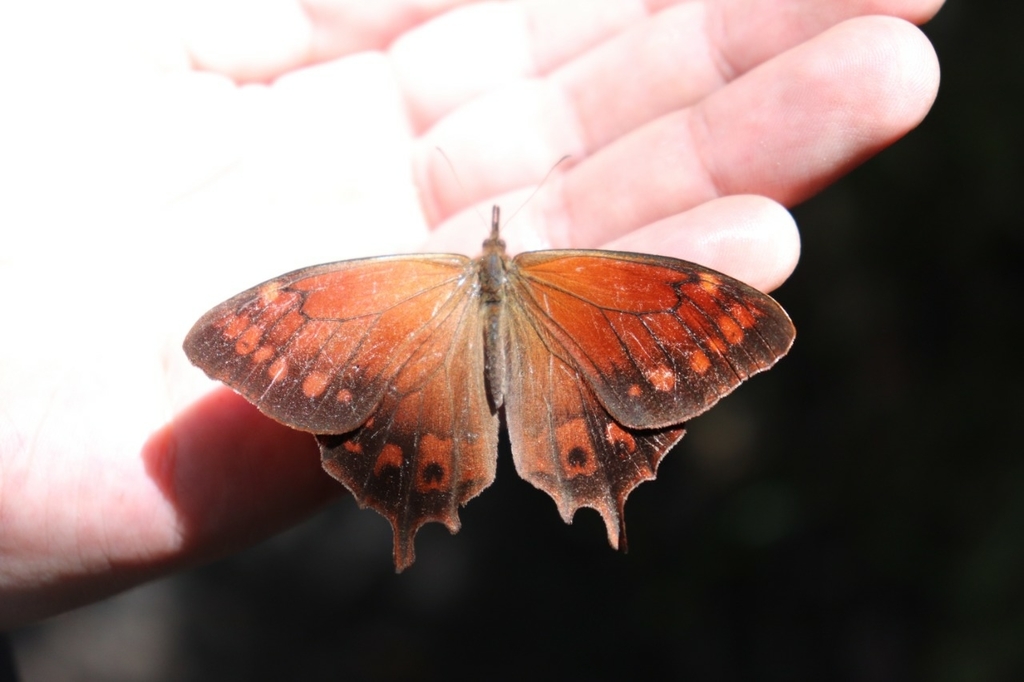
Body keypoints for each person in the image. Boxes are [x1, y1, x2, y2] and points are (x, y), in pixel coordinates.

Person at [0, 0, 942, 630]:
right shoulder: (565, 273)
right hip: (520, 365)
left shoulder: (415, 280)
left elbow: (748, 321)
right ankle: (497, 490)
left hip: (449, 369)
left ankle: (496, 488)